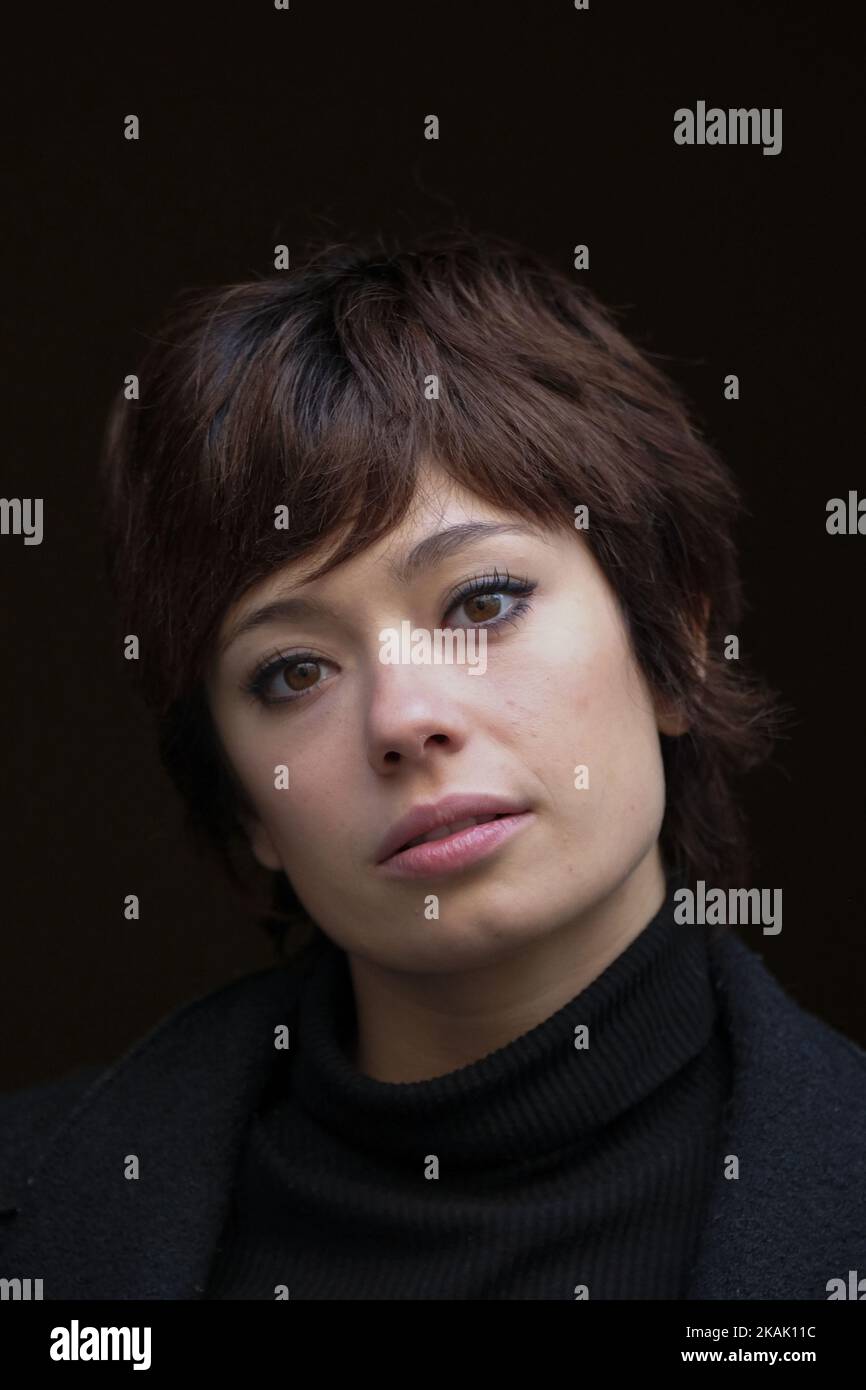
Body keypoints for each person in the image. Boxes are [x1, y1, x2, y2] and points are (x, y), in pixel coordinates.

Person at [2, 232, 864, 1301]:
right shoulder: (36, 1217)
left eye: (481, 601)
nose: (404, 719)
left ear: (674, 649)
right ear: (243, 801)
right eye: (293, 669)